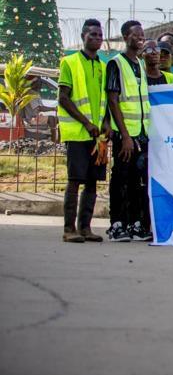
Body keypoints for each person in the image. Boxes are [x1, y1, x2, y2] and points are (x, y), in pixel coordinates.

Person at [57, 19, 110, 243]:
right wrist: (86, 123)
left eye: (100, 35)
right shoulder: (69, 63)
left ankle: (85, 227)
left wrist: (106, 123)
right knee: (74, 180)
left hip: (97, 137)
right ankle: (69, 229)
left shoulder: (103, 67)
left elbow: (106, 100)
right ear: (83, 37)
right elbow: (63, 97)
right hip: (78, 133)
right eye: (92, 35)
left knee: (92, 181)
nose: (97, 39)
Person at [105, 20, 152, 242]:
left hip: (141, 132)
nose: (140, 38)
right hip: (125, 134)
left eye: (142, 35)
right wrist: (124, 135)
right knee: (120, 178)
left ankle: (134, 224)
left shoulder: (139, 64)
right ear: (125, 37)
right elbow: (113, 100)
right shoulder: (116, 63)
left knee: (136, 180)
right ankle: (117, 224)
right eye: (136, 35)